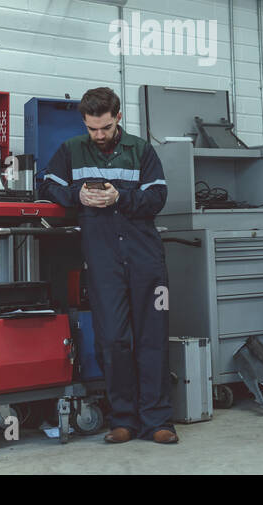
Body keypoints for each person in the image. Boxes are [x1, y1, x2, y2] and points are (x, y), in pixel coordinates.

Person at [40, 87, 178, 444]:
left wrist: (121, 197)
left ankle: (158, 421)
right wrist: (77, 196)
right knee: (113, 339)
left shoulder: (142, 151)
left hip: (145, 258)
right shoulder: (72, 149)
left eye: (104, 127)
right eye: (92, 129)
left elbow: (158, 196)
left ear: (118, 117)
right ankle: (124, 420)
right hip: (103, 260)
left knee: (151, 339)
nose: (98, 136)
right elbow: (49, 182)